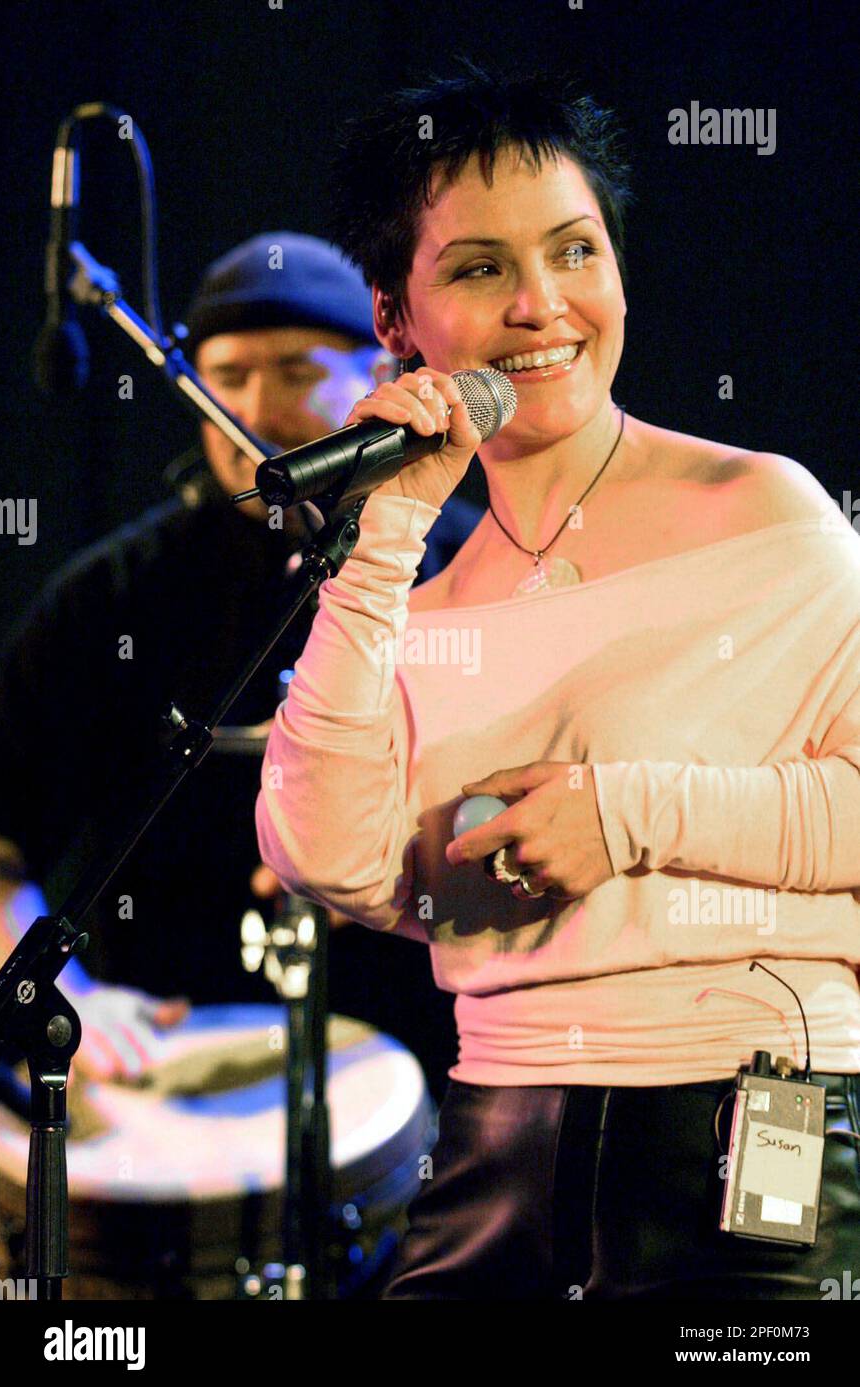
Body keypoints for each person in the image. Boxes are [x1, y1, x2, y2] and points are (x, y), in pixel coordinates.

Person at [255, 62, 860, 1301]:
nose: (542, 305)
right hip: (493, 1142)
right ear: (393, 318)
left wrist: (620, 811)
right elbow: (329, 856)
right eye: (479, 269)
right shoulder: (416, 603)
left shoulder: (761, 513)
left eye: (574, 251)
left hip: (749, 1129)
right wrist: (383, 539)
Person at [0, 232, 480, 1098]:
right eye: (229, 376)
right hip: (170, 1070)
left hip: (434, 1073)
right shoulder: (110, 598)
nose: (257, 406)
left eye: (295, 372)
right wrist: (61, 992)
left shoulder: (474, 566)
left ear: (380, 375)